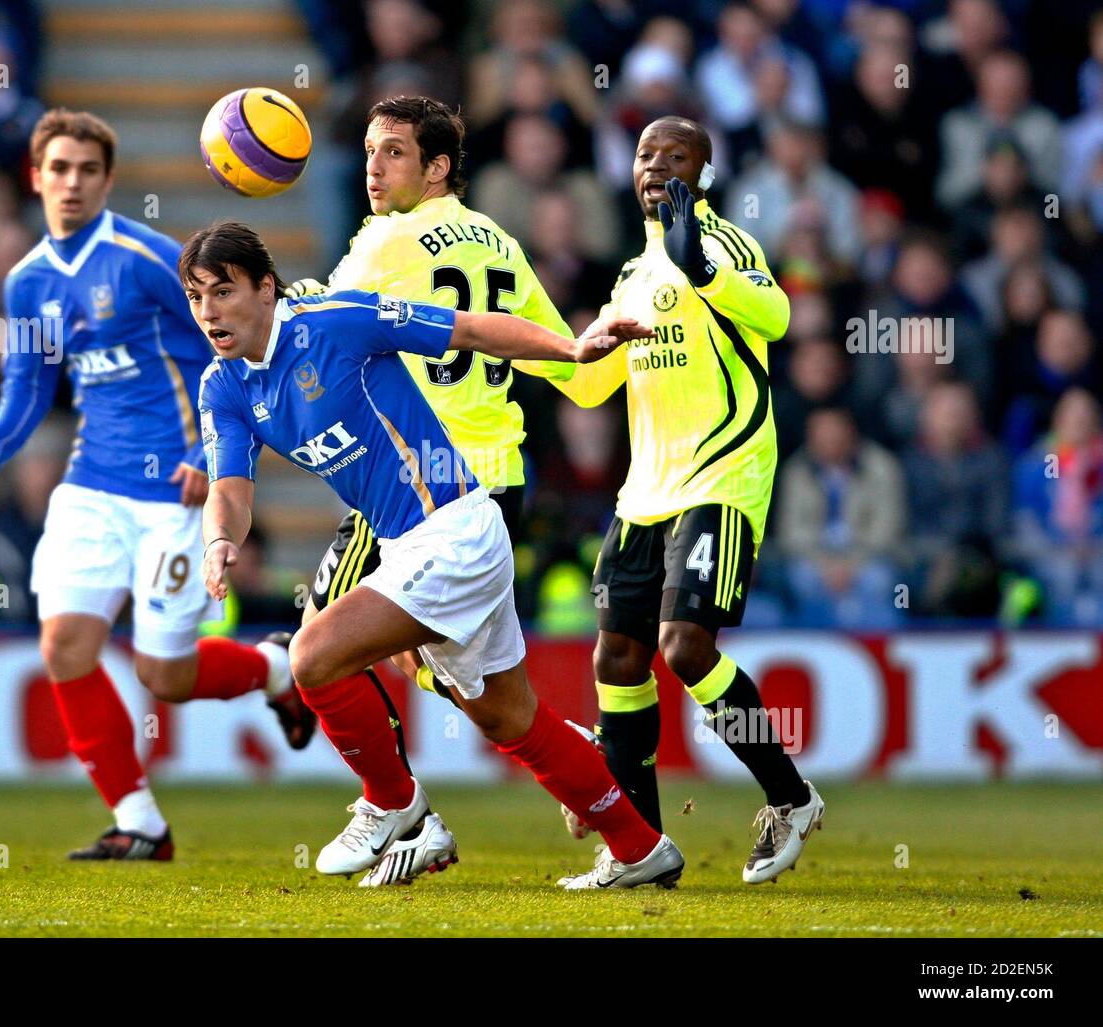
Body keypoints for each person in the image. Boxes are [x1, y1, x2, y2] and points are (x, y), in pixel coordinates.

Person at [187, 220, 683, 890]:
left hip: (454, 532)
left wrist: (573, 348)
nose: (210, 311)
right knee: (510, 719)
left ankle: (399, 809)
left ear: (266, 287)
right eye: (196, 297)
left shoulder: (338, 321)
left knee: (313, 656)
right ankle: (639, 845)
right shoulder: (224, 386)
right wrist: (221, 538)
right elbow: (229, 489)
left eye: (224, 290)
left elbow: (471, 329)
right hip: (412, 546)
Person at [0, 109, 315, 862]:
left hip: (173, 495)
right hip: (90, 484)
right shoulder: (26, 281)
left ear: (109, 180)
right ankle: (139, 820)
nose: (72, 183)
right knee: (63, 646)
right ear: (35, 177)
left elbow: (225, 349)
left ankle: (277, 668)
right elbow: (28, 383)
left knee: (166, 675)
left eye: (88, 170)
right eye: (58, 168)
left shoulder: (148, 258)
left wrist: (202, 447)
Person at [554, 115, 823, 884]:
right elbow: (588, 384)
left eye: (677, 156)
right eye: (645, 154)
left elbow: (780, 317)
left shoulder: (725, 245)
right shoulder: (633, 274)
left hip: (723, 474)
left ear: (703, 174)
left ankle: (791, 797)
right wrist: (541, 343)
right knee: (617, 655)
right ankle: (639, 846)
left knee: (684, 647)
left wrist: (700, 267)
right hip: (645, 492)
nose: (656, 165)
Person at [291, 96, 575, 710]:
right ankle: (577, 752)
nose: (374, 168)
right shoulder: (502, 243)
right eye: (369, 152)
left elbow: (314, 334)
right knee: (460, 680)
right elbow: (562, 360)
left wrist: (291, 300)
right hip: (499, 484)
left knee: (318, 645)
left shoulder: (387, 240)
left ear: (438, 167)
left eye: (394, 153)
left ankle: (396, 804)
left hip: (419, 479)